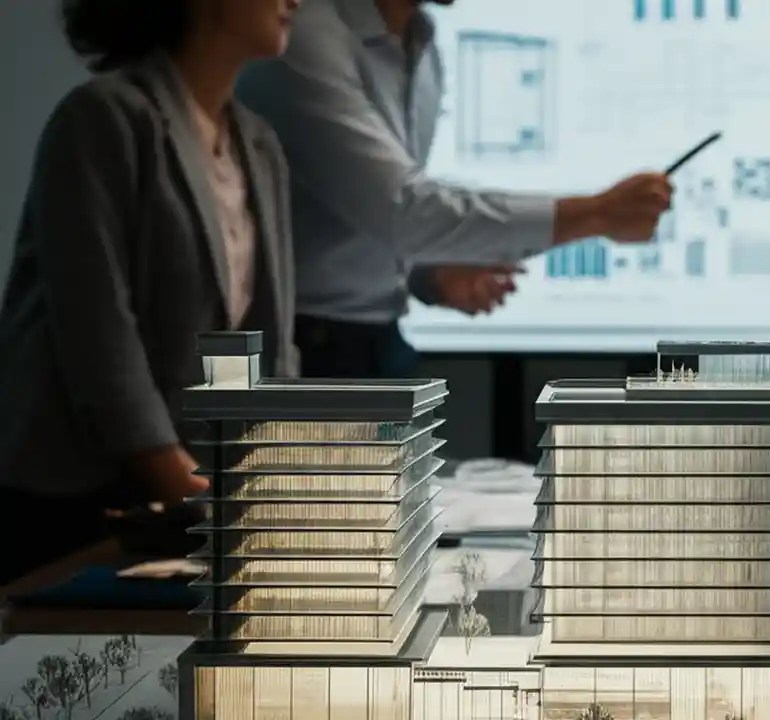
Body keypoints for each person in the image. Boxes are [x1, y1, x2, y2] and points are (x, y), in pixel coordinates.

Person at [0, 0, 302, 584]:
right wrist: (215, 503)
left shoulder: (260, 146)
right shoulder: (102, 117)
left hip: (187, 507)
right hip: (76, 508)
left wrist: (272, 489)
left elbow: (268, 351)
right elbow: (100, 345)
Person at [237, 0, 674, 379]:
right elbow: (403, 209)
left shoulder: (421, 43)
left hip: (378, 338)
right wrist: (596, 214)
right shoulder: (302, 35)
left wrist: (426, 275)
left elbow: (356, 214)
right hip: (304, 348)